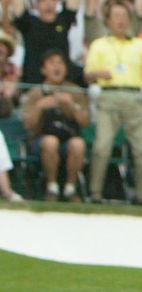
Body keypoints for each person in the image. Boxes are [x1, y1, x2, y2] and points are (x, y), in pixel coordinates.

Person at [83, 0, 142, 204]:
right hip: (109, 95)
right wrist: (99, 73)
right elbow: (87, 75)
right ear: (107, 20)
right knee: (102, 146)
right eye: (116, 16)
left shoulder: (140, 44)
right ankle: (95, 193)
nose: (121, 20)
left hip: (135, 95)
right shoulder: (99, 45)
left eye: (124, 16)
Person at [20, 50, 88, 200]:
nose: (57, 67)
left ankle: (70, 188)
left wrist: (71, 106)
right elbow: (28, 125)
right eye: (52, 63)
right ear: (43, 70)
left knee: (78, 144)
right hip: (41, 139)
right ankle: (52, 187)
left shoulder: (75, 91)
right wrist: (39, 107)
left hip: (68, 137)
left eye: (60, 63)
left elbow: (85, 121)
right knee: (51, 142)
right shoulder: (35, 92)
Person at [12, 0, 78, 86]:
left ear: (57, 4)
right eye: (43, 0)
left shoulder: (63, 20)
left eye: (52, 0)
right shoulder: (29, 23)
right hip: (33, 85)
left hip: (63, 86)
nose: (48, 4)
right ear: (37, 5)